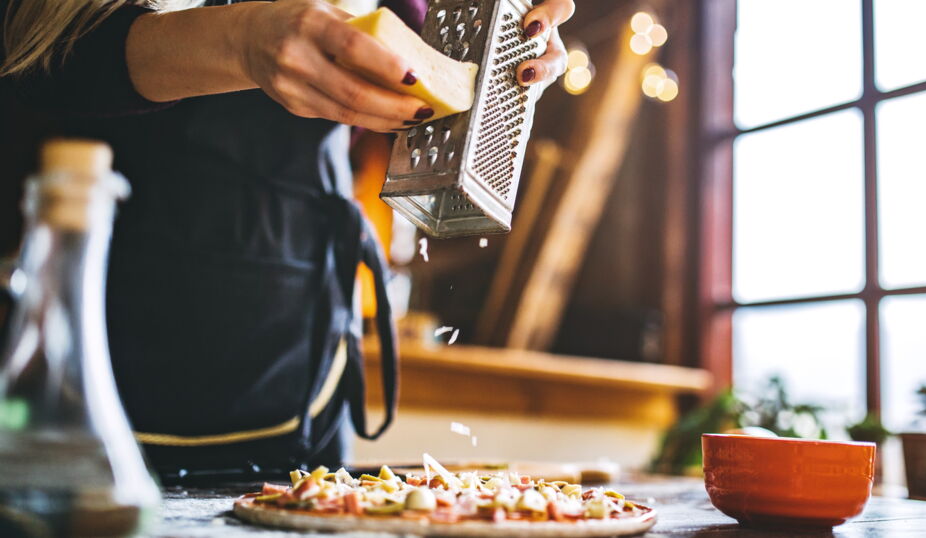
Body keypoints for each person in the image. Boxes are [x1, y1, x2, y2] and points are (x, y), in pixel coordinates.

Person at [0, 0, 574, 480]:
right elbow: (31, 51)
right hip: (79, 313)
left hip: (304, 344)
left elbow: (416, 39)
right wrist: (240, 40)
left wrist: (506, 54)